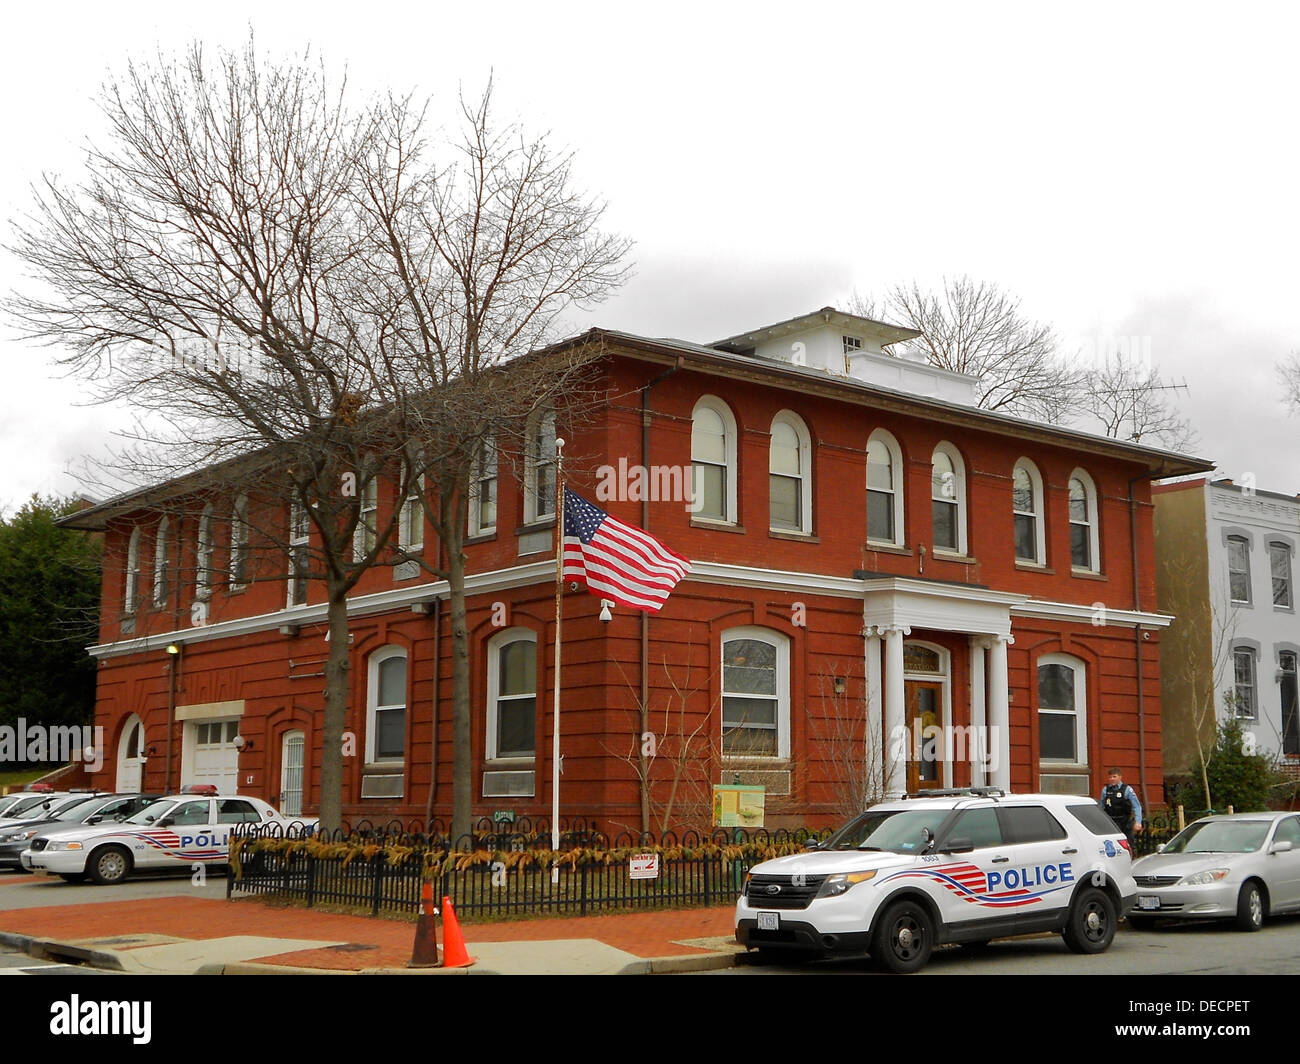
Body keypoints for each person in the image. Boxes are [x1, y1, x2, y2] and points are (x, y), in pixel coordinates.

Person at [1099, 768, 1143, 849]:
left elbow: (1136, 806)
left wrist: (1138, 822)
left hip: (1125, 822)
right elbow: (1101, 806)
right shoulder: (1106, 790)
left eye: (1114, 777)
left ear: (1120, 777)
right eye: (1110, 777)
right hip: (1111, 822)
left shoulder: (1127, 790)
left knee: (1128, 845)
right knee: (1112, 846)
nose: (1112, 779)